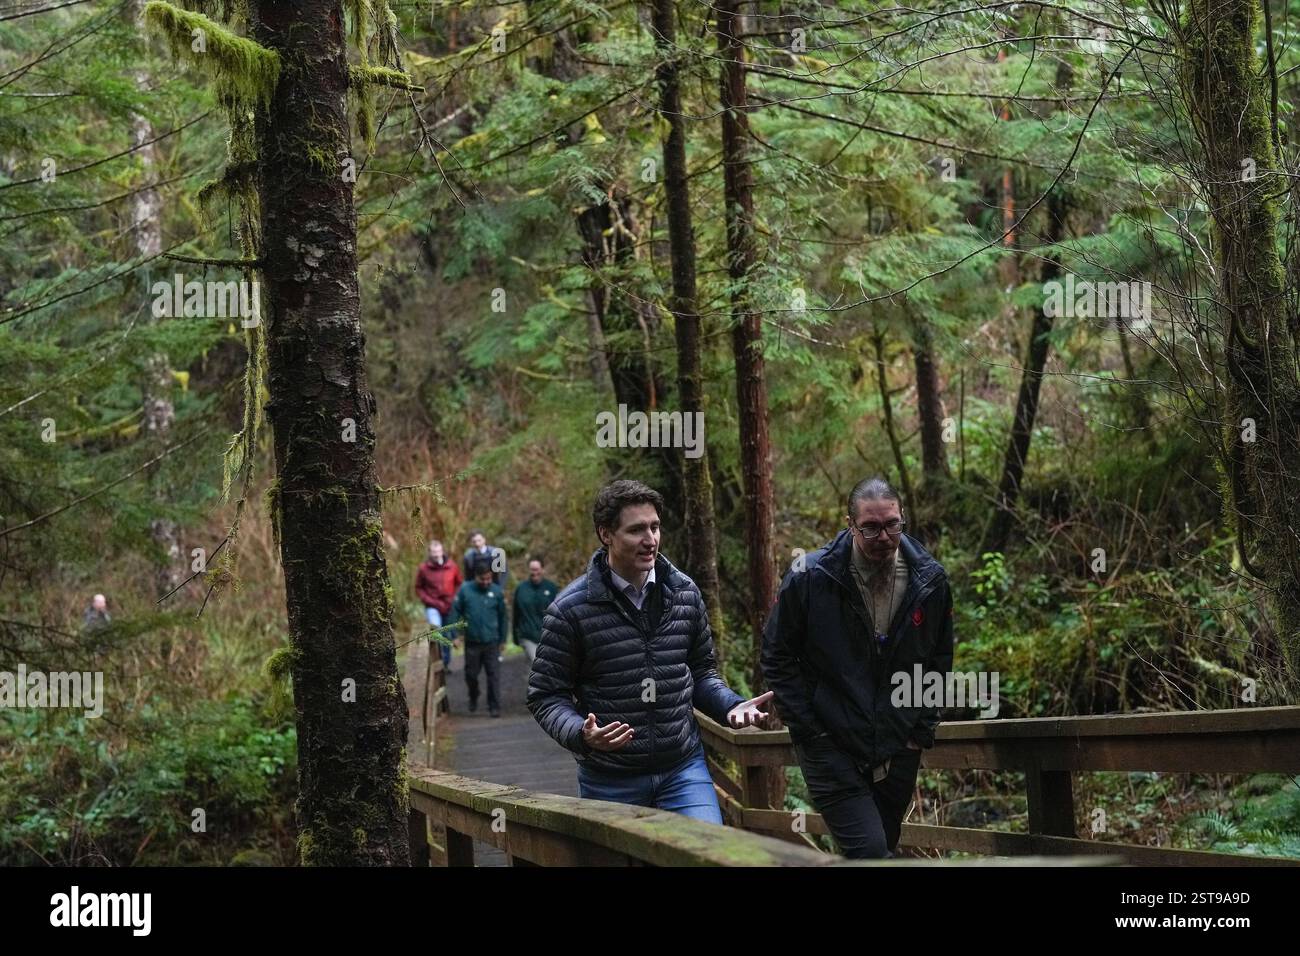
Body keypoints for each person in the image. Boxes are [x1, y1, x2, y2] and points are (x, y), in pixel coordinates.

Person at [528, 479, 774, 824]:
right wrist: (581, 734)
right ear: (606, 534)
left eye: (655, 527)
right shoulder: (570, 609)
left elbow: (701, 672)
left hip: (682, 770)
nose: (651, 540)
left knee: (707, 855)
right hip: (610, 779)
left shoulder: (684, 593)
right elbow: (546, 695)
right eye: (637, 530)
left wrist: (730, 705)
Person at [761, 476, 954, 858]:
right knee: (869, 851)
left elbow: (938, 659)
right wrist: (809, 729)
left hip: (898, 745)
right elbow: (777, 654)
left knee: (879, 847)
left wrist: (920, 730)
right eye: (870, 527)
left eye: (892, 525)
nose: (883, 536)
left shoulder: (929, 580)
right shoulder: (811, 577)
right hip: (830, 744)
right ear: (850, 524)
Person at [448, 556, 508, 717]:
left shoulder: (496, 591)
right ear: (476, 576)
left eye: (489, 578)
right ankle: (474, 695)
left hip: (492, 642)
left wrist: (503, 639)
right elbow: (454, 612)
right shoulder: (465, 590)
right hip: (472, 642)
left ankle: (494, 706)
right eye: (483, 579)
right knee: (471, 675)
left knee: (493, 675)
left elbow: (503, 617)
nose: (487, 581)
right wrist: (454, 635)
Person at [414, 539, 463, 672]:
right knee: (436, 632)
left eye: (438, 551)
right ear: (429, 553)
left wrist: (456, 598)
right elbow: (419, 588)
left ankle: (445, 663)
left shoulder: (452, 566)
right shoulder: (424, 569)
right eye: (433, 552)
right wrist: (428, 600)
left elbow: (459, 583)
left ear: (442, 551)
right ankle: (435, 662)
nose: (436, 554)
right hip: (433, 605)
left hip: (450, 604)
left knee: (447, 634)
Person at [511, 557, 558, 664]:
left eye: (537, 569)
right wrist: (515, 635)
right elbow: (516, 613)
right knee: (536, 663)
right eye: (532, 569)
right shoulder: (521, 588)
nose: (534, 573)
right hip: (528, 635)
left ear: (542, 569)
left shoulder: (551, 588)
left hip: (548, 636)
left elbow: (559, 613)